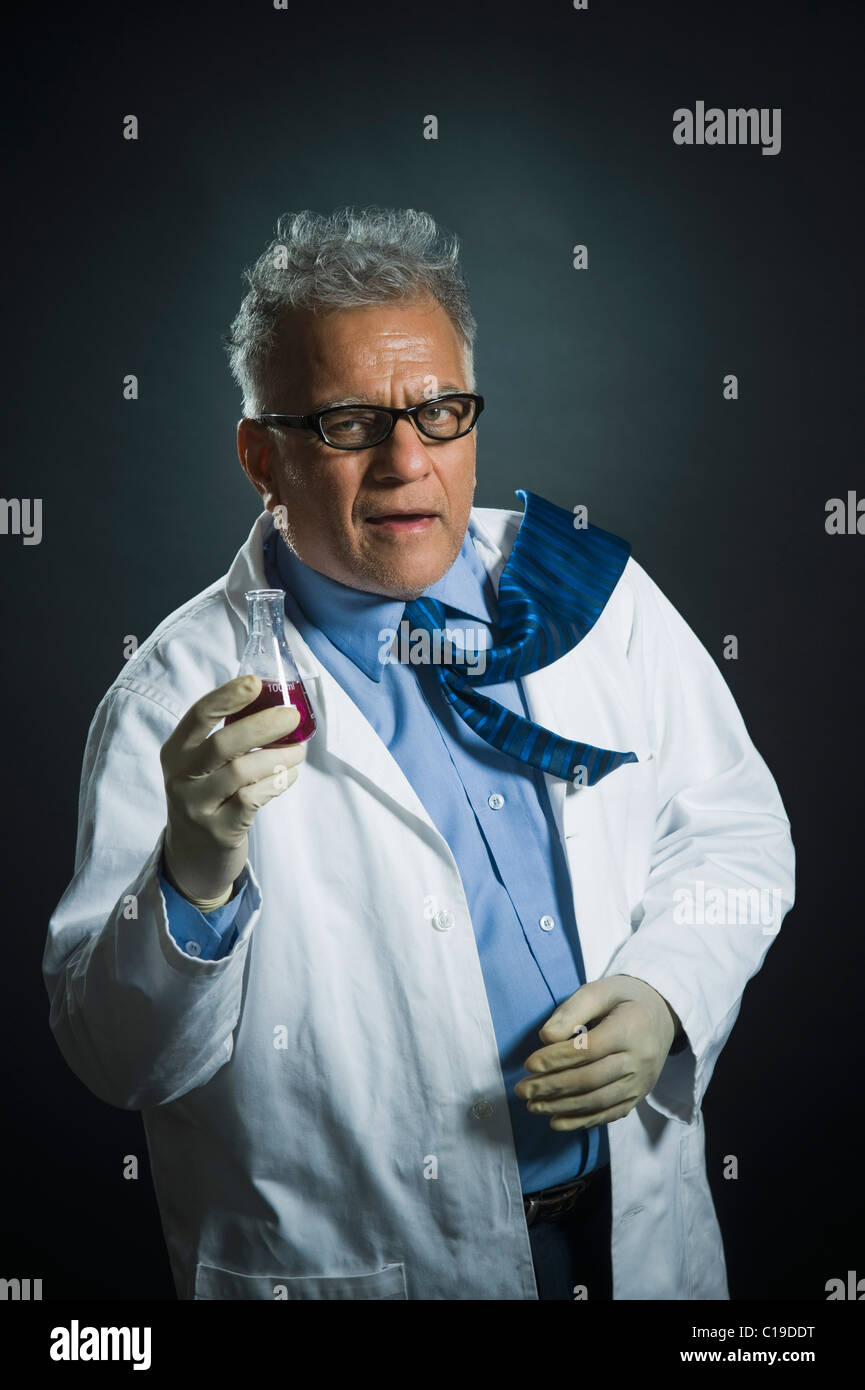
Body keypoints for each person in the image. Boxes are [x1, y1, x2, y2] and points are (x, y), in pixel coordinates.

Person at [43, 206, 795, 1301]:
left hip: (637, 1243)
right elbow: (117, 1058)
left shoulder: (587, 592)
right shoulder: (175, 695)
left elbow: (732, 829)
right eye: (349, 422)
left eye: (439, 410)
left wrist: (663, 991)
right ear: (262, 453)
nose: (408, 461)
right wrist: (194, 872)